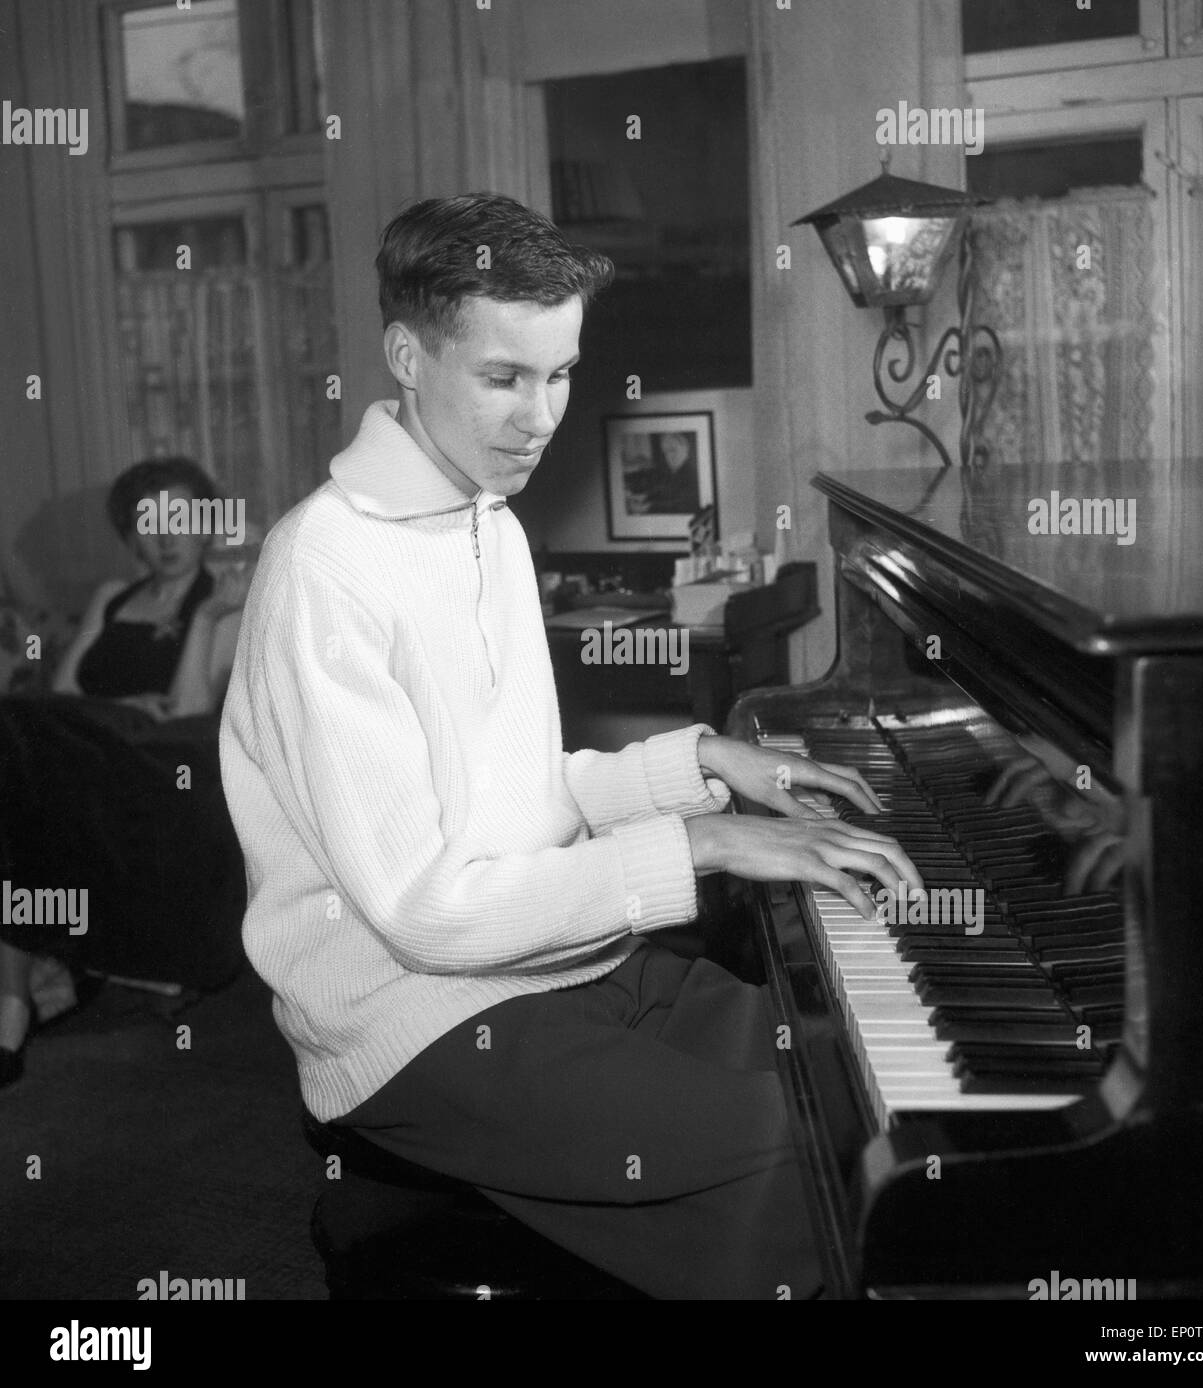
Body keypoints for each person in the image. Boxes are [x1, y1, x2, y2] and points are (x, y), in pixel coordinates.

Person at [218, 192, 924, 1299]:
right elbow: (427, 905)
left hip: (549, 967)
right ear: (408, 354)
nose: (537, 416)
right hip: (414, 1022)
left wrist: (699, 762)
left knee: (852, 1070)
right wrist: (703, 847)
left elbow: (505, 796)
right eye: (502, 376)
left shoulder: (485, 522)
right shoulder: (325, 568)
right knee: (822, 1152)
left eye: (559, 375)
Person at [0, 458, 249, 1087]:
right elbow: (62, 689)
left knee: (23, 789)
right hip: (84, 756)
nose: (165, 537)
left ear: (205, 527)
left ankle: (26, 991)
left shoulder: (226, 604)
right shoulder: (114, 597)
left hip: (162, 776)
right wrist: (121, 707)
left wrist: (203, 620)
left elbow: (190, 712)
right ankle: (20, 992)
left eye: (180, 518)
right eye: (148, 521)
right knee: (16, 737)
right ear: (132, 533)